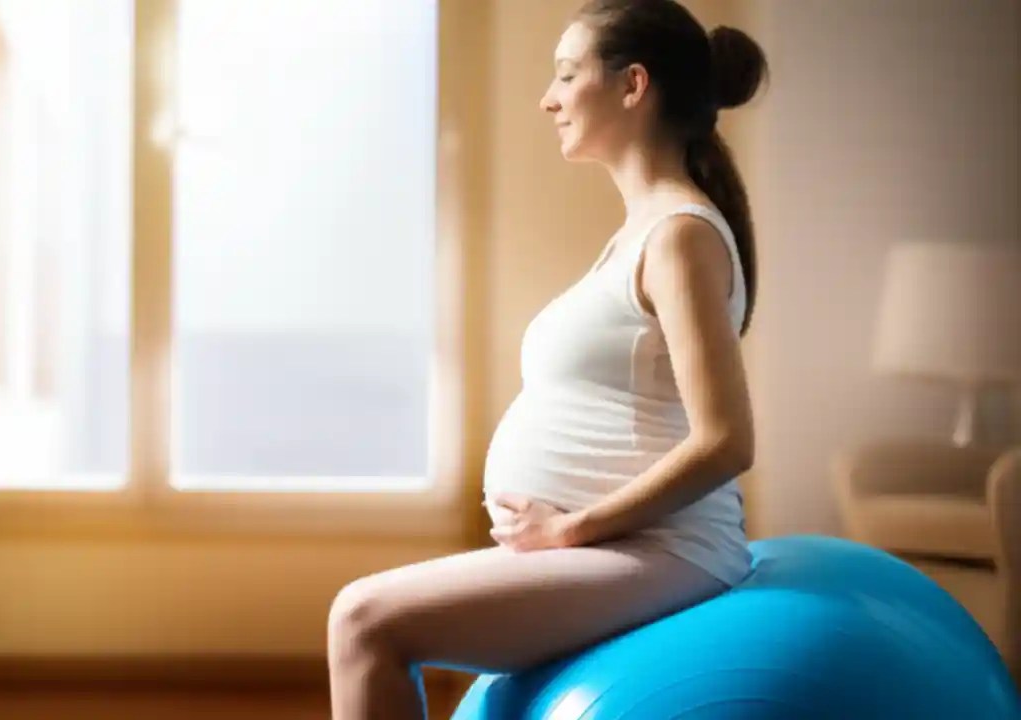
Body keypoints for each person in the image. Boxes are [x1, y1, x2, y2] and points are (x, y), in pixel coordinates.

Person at [327, 1, 769, 717]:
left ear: (633, 86)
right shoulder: (645, 231)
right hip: (618, 549)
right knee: (362, 616)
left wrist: (569, 528)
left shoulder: (680, 237)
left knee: (363, 619)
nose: (549, 98)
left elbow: (726, 442)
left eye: (567, 74)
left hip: (666, 552)